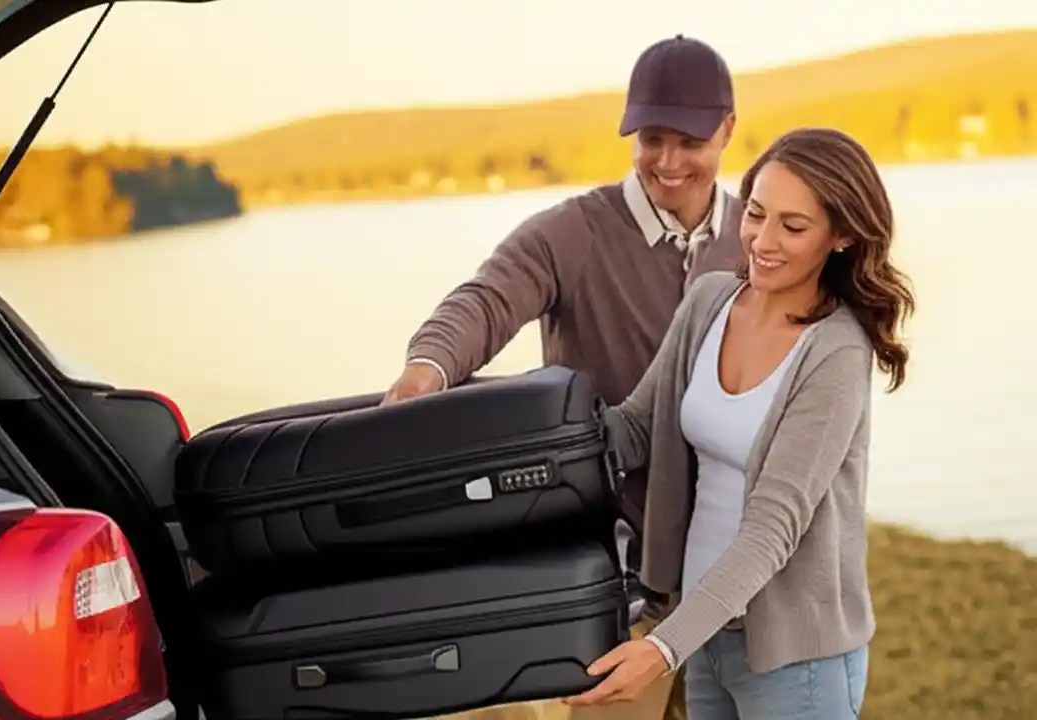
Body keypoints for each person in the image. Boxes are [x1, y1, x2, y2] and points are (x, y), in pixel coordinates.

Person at [383, 33, 745, 720]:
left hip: (731, 581)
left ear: (728, 129)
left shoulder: (753, 239)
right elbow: (486, 299)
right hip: (617, 585)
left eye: (688, 141)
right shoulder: (572, 232)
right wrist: (428, 368)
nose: (666, 163)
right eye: (650, 138)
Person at [561, 127, 916, 719]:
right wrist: (524, 429)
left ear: (843, 236)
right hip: (703, 634)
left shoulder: (835, 353)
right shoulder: (710, 302)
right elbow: (634, 431)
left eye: (793, 226)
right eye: (755, 214)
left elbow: (772, 528)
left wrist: (661, 649)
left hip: (794, 660)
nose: (763, 241)